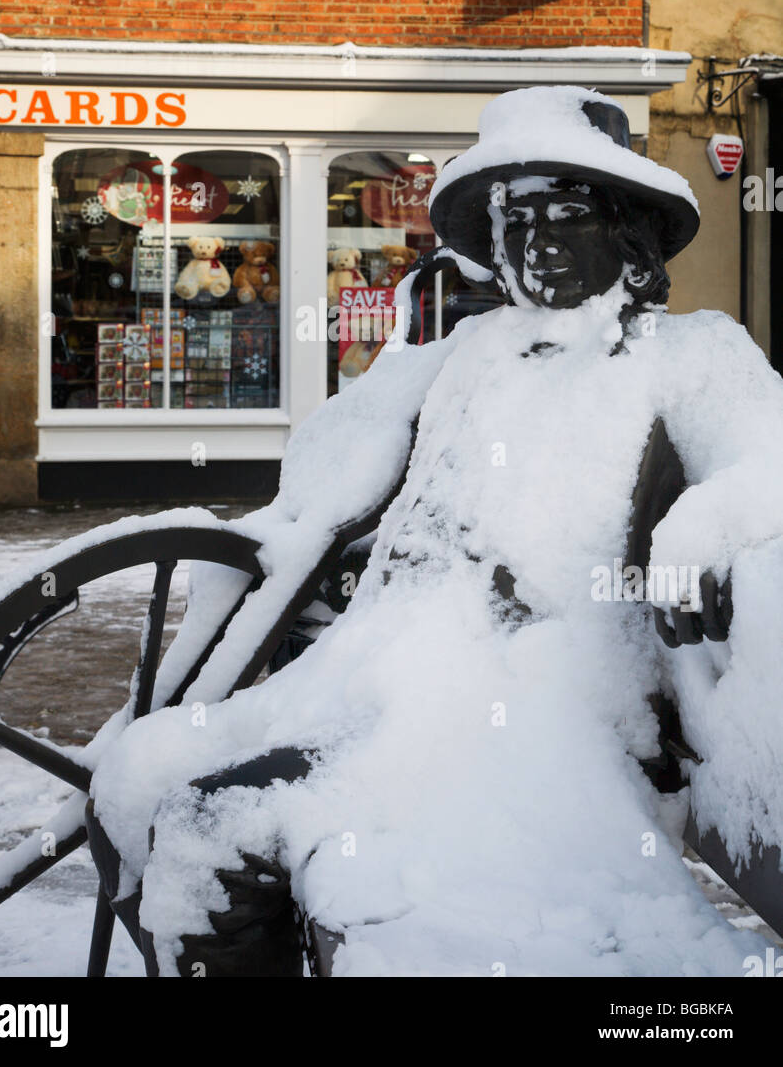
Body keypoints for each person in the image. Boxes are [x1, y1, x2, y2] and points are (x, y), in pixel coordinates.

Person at [90, 86, 783, 977]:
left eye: (567, 212)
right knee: (147, 786)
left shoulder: (689, 354)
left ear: (629, 231)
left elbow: (769, 465)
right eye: (514, 219)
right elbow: (342, 452)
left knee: (205, 831)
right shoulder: (472, 354)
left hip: (543, 713)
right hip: (384, 673)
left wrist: (713, 527)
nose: (538, 239)